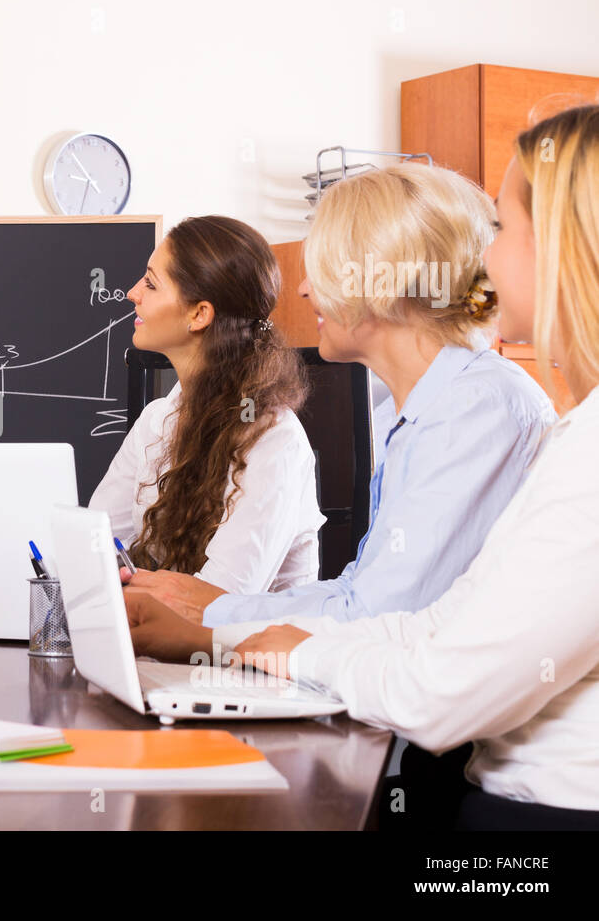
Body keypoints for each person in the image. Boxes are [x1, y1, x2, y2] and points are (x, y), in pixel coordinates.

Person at [126, 104, 599, 827]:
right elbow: (431, 619)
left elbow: (418, 654)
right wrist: (222, 629)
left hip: (522, 813)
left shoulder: (500, 413)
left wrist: (223, 629)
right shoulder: (483, 419)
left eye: (503, 228)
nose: (308, 291)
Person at [126, 163, 555, 626]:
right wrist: (202, 606)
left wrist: (206, 611)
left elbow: (378, 614)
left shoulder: (479, 406)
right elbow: (361, 594)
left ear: (385, 282)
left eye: (324, 269)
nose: (306, 290)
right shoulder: (409, 412)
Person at [89, 215, 323, 593]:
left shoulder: (275, 439)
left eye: (150, 282)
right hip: (157, 646)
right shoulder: (157, 420)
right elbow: (95, 545)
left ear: (199, 314)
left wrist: (128, 588)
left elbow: (221, 603)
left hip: (237, 652)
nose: (133, 292)